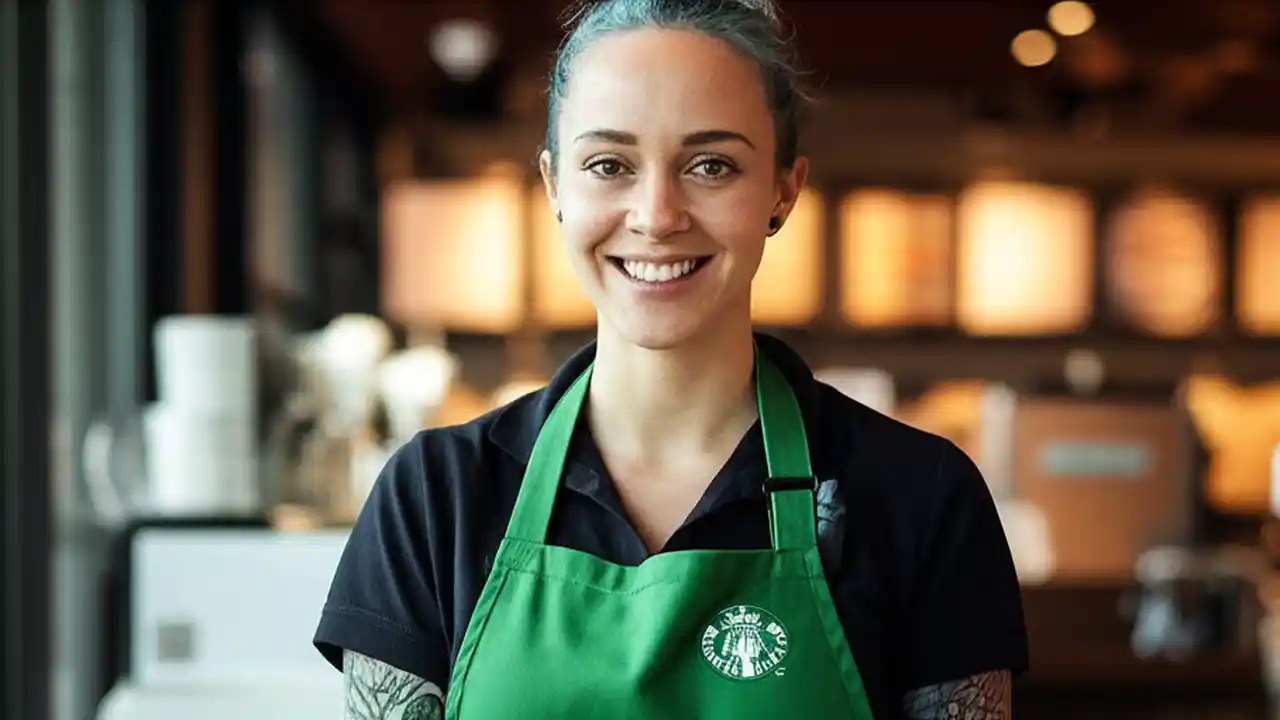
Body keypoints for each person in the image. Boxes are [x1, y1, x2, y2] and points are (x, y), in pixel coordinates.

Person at [314, 0, 1028, 717]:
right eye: (608, 164)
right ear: (555, 185)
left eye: (711, 165)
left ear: (784, 188)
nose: (656, 215)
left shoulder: (920, 499)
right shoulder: (437, 497)